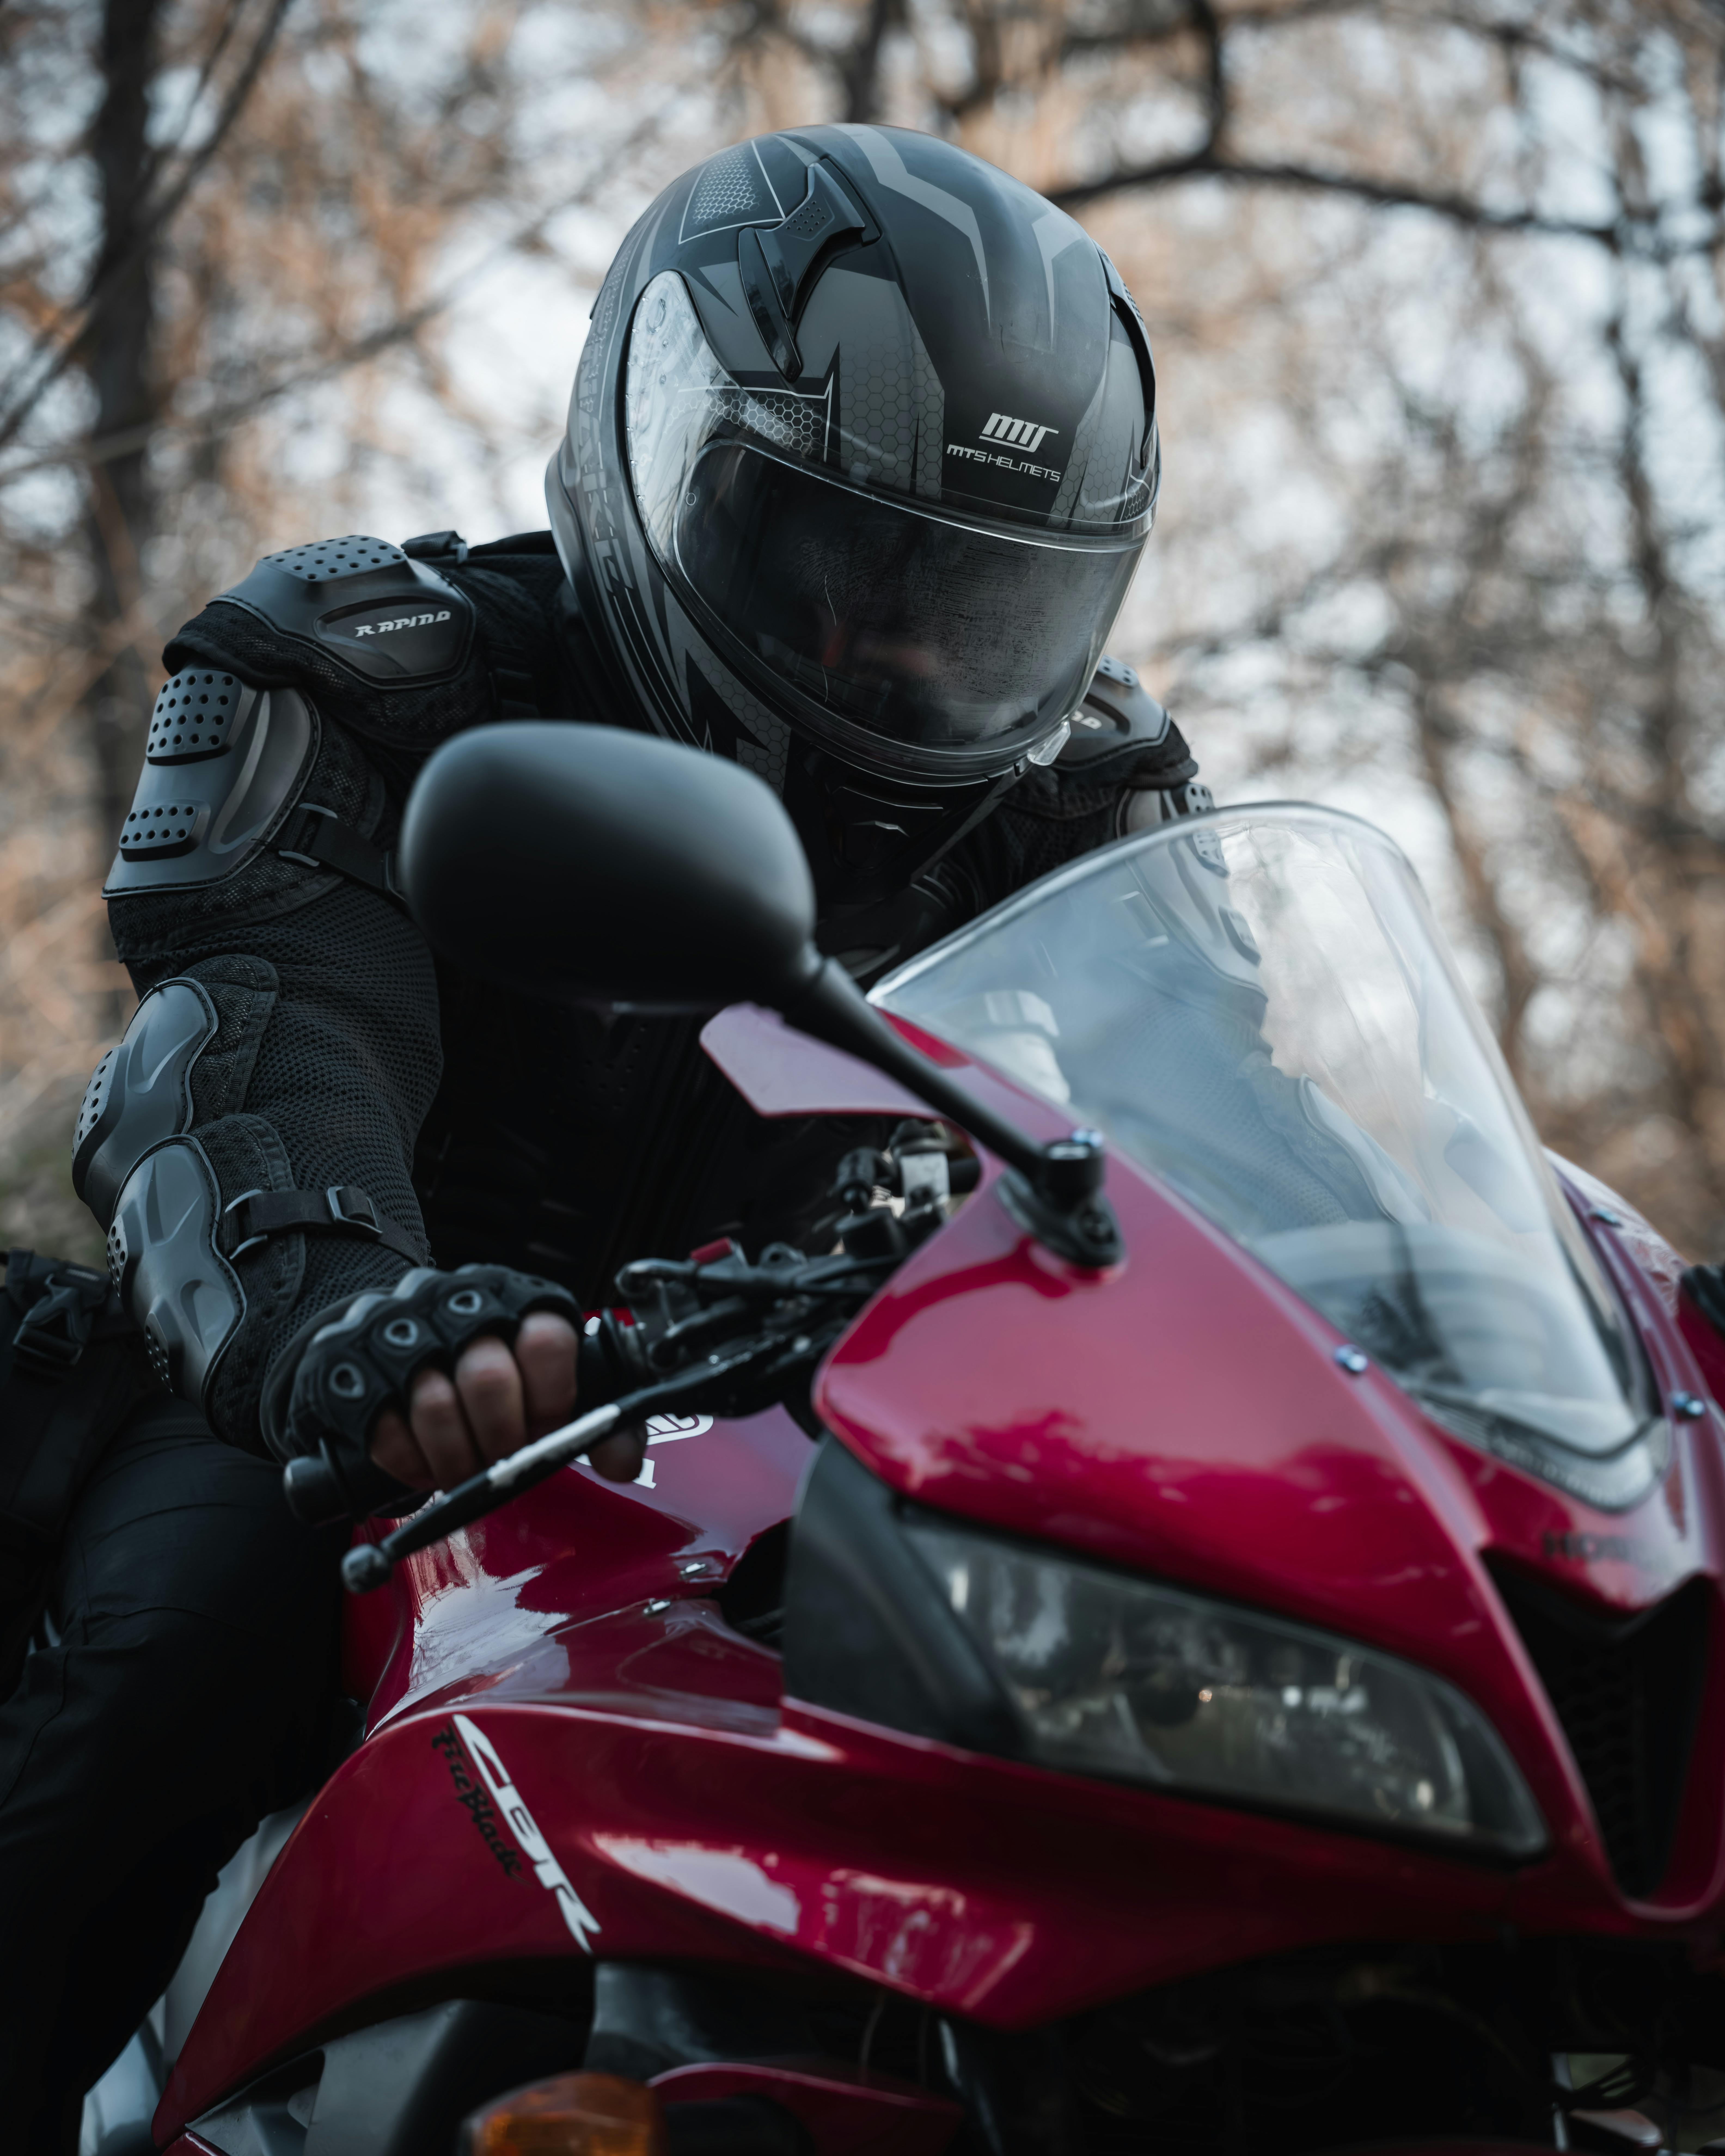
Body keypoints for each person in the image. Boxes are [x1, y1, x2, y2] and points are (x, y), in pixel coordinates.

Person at [0, 124, 1207, 2150]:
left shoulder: (1089, 806)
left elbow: (1230, 1129)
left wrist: (1522, 1348)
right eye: (841, 574)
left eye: (984, 608)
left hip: (807, 1446)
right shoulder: (381, 681)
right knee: (180, 1659)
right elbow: (255, 1052)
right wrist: (357, 1322)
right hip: (336, 1414)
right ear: (661, 457)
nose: (905, 656)